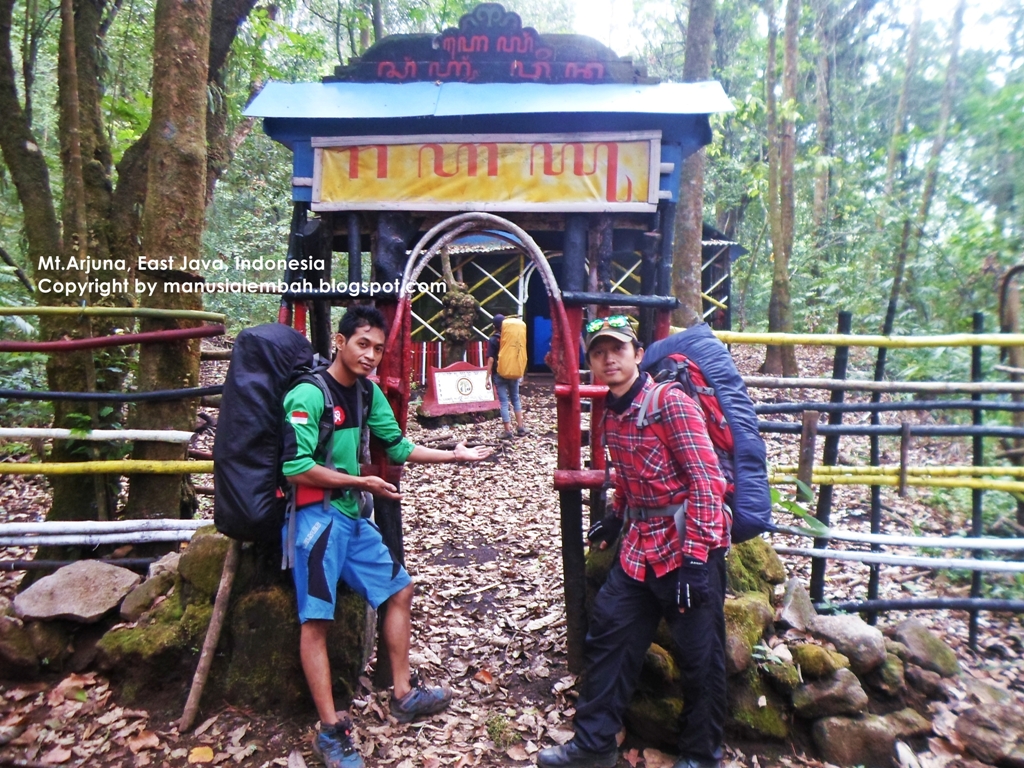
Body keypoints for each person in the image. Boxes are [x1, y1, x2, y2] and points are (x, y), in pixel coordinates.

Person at [282, 305, 493, 768]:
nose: (371, 355)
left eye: (378, 348)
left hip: (353, 518)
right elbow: (295, 467)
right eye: (363, 344)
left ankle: (401, 694)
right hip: (316, 518)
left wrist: (452, 455)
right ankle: (331, 731)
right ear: (340, 342)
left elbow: (396, 446)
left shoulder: (366, 394)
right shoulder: (309, 394)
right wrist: (361, 483)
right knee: (316, 620)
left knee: (400, 590)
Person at [536, 316, 731, 768]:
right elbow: (626, 474)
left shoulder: (670, 403)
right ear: (592, 363)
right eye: (599, 352)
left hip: (687, 547)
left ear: (638, 354)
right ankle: (594, 745)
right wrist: (615, 516)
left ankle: (702, 756)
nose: (609, 358)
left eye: (618, 349)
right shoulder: (611, 411)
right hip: (640, 547)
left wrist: (697, 561)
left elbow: (706, 481)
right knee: (609, 636)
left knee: (702, 657)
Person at [485, 314, 527, 439]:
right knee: (515, 399)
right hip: (513, 371)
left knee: (504, 402)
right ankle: (520, 428)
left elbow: (491, 359)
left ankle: (507, 431)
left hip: (499, 373)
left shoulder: (493, 339)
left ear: (494, 326)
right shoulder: (511, 337)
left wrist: (487, 377)